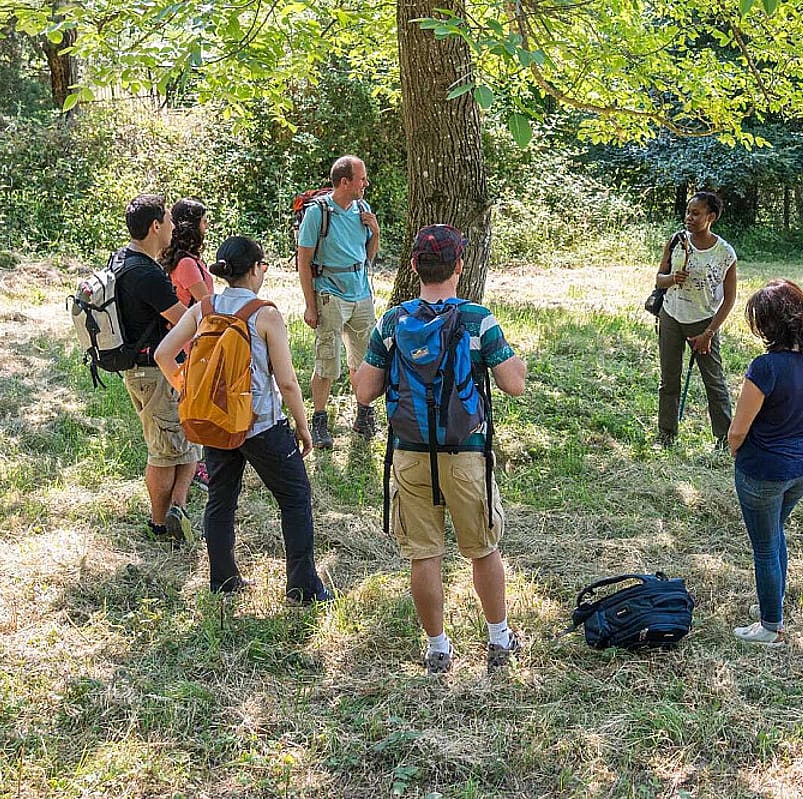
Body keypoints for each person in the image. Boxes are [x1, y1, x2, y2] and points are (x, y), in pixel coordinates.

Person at [353, 224, 527, 674]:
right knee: (484, 548)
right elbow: (514, 384)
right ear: (460, 266)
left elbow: (365, 392)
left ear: (414, 266)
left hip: (409, 451)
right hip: (465, 451)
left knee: (424, 553)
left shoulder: (392, 322)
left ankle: (437, 648)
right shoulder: (477, 319)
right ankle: (499, 638)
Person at [154, 236, 334, 604]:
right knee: (295, 498)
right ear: (254, 269)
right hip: (262, 426)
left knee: (220, 500)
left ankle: (223, 580)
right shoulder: (264, 314)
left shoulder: (203, 308)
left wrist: (187, 388)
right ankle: (302, 587)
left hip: (217, 424)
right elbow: (286, 381)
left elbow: (162, 353)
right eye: (263, 266)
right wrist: (302, 425)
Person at [728, 280, 803, 648]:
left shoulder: (765, 368)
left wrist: (734, 450)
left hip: (764, 470)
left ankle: (770, 624)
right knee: (775, 534)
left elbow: (738, 430)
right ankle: (778, 605)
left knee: (764, 545)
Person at [116, 194, 199, 543]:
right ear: (155, 226)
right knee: (164, 450)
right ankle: (160, 525)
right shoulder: (147, 273)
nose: (172, 225)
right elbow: (184, 320)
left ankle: (176, 512)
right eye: (167, 219)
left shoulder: (123, 259)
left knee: (181, 444)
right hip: (154, 370)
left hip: (144, 368)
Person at [296, 154, 381, 450]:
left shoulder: (363, 208)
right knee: (327, 361)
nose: (365, 184)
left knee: (365, 360)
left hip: (361, 294)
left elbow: (368, 257)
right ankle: (318, 419)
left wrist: (375, 230)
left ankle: (364, 413)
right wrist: (310, 304)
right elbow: (303, 261)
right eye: (361, 179)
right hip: (329, 294)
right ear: (345, 182)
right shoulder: (318, 213)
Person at [653, 191, 738, 449]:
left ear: (711, 217)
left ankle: (725, 439)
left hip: (702, 321)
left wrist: (709, 333)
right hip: (671, 316)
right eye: (688, 212)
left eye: (696, 213)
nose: (689, 217)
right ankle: (666, 434)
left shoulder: (724, 253)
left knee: (714, 381)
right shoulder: (677, 241)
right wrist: (672, 279)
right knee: (669, 379)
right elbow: (659, 278)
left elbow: (730, 299)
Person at [160, 197, 215, 488]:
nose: (207, 227)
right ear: (192, 227)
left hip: (187, 339)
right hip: (192, 342)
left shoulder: (181, 259)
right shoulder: (187, 264)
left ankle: (194, 461)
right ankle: (199, 465)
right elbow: (207, 304)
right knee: (198, 404)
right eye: (204, 221)